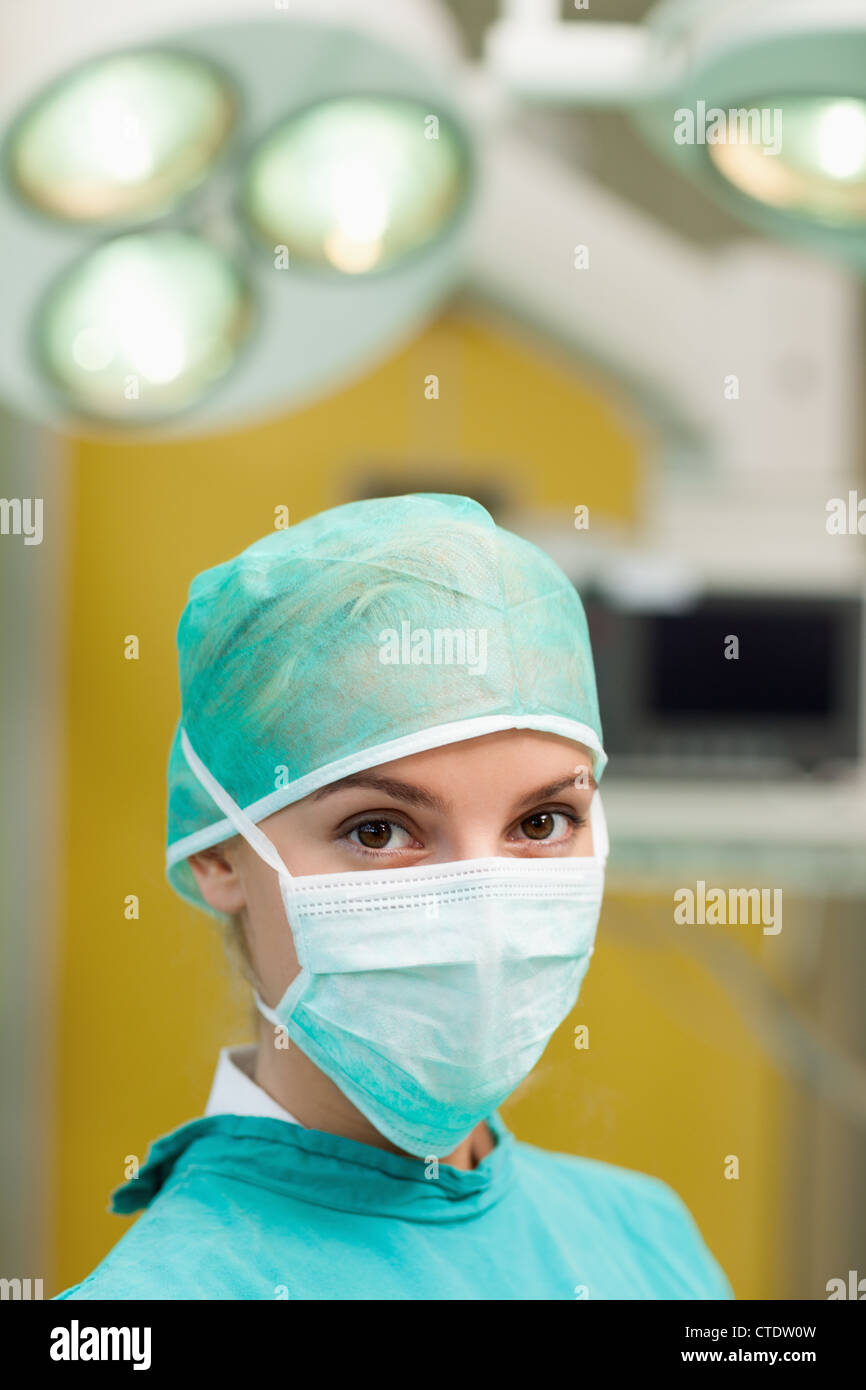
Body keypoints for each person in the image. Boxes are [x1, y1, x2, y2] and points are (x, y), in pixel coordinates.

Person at [55, 492, 733, 1300]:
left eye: (543, 820)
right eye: (379, 830)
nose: (483, 903)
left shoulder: (646, 1238)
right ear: (219, 855)